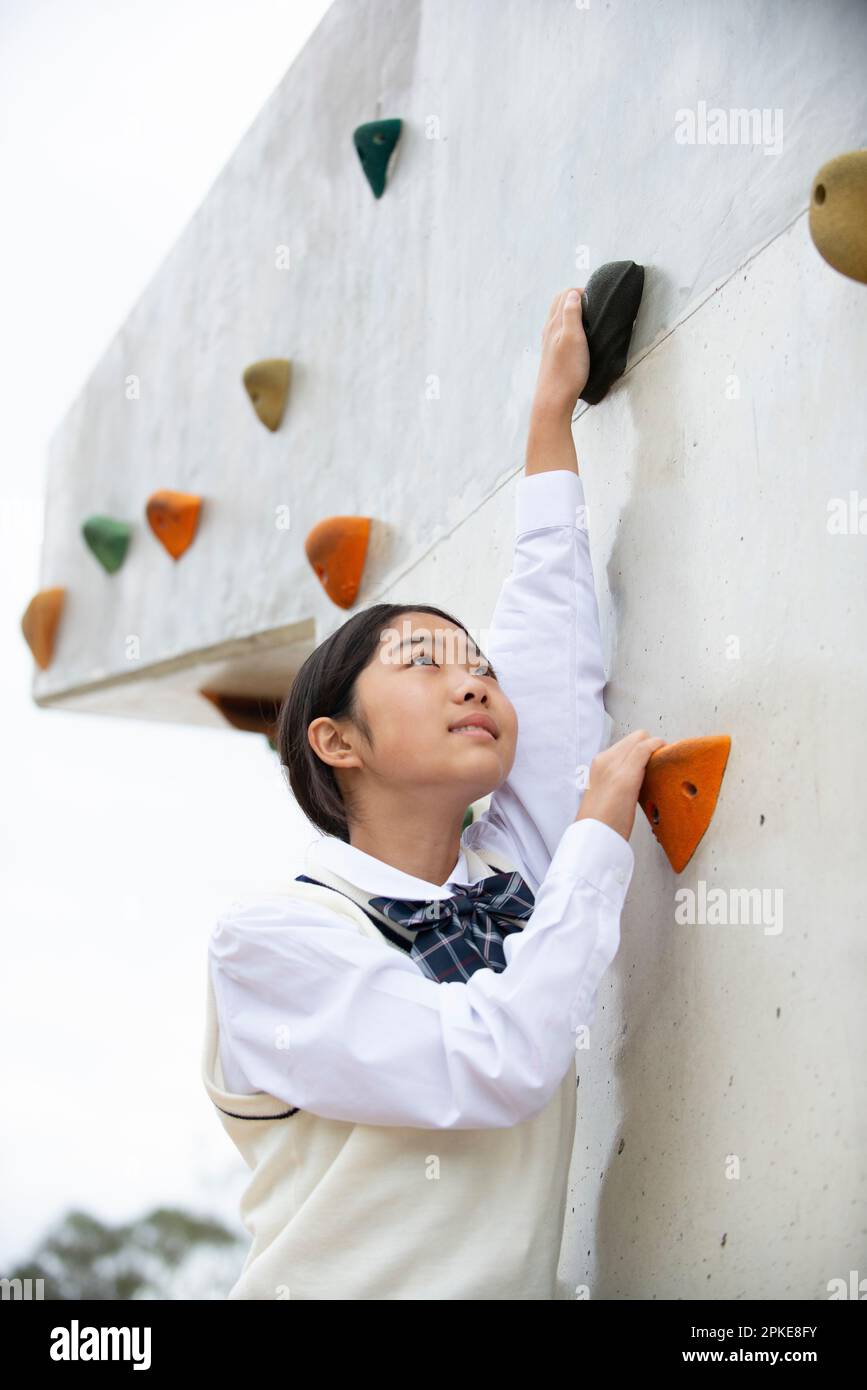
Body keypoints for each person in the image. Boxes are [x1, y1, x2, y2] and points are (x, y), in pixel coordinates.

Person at [201, 287, 666, 1299]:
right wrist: (593, 844)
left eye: (477, 670)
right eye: (424, 662)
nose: (472, 681)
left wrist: (549, 423)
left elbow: (546, 643)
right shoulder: (270, 942)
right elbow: (492, 1060)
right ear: (336, 741)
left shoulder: (514, 882)